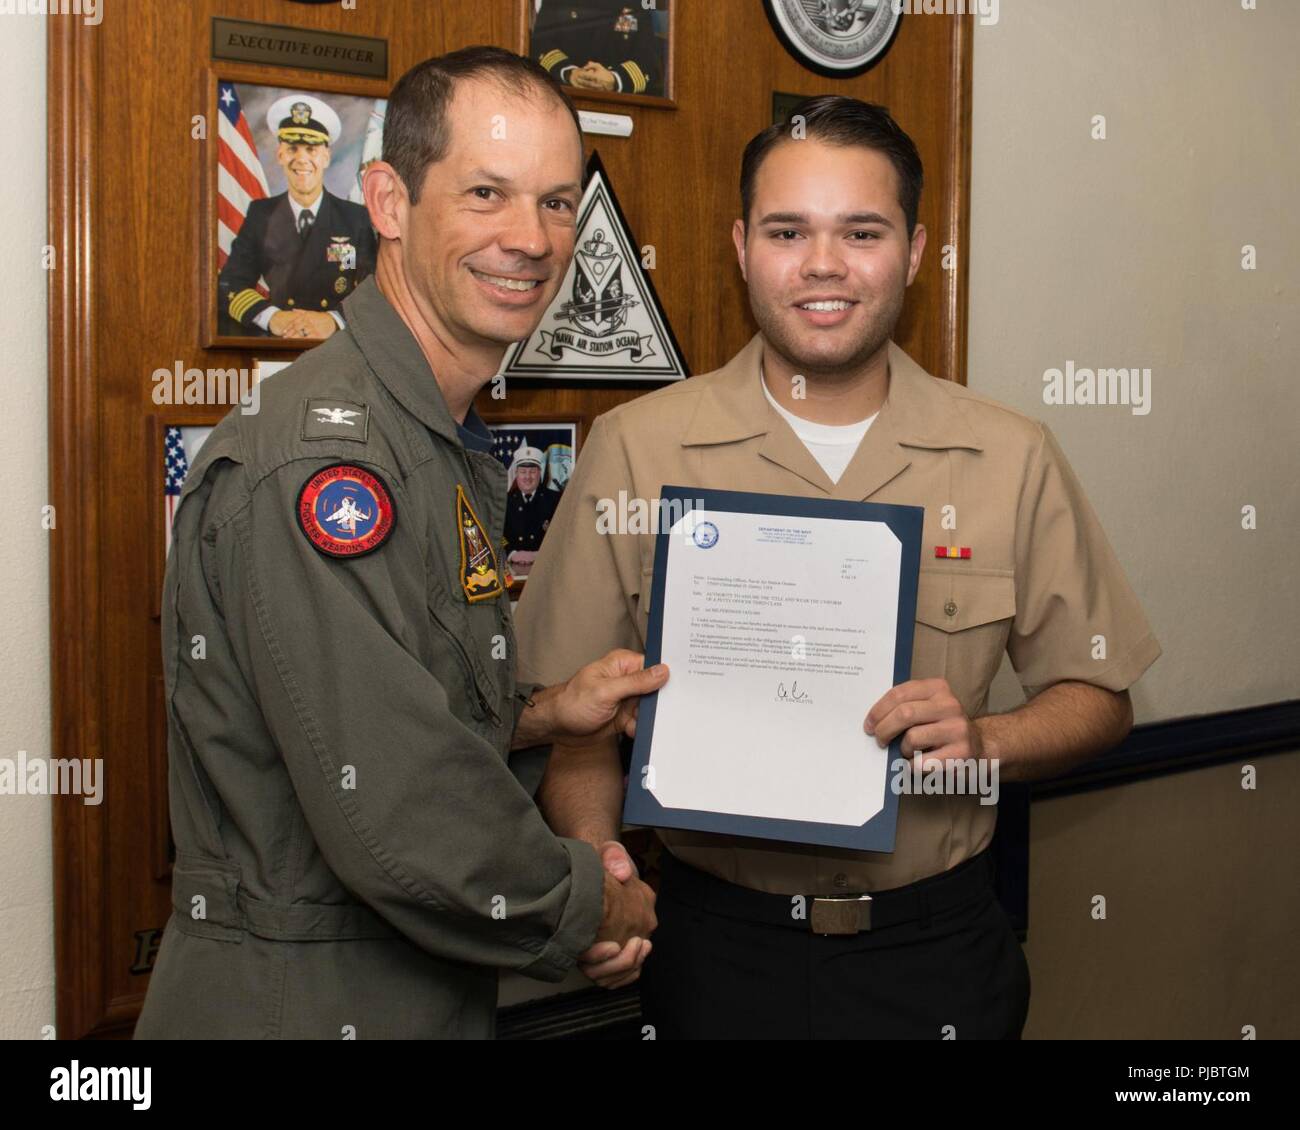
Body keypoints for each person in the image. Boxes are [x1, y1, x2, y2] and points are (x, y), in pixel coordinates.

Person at [513, 95, 1162, 1037]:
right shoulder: (634, 451)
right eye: (788, 230)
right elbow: (571, 722)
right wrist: (597, 865)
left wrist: (984, 743)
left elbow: (1100, 696)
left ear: (914, 248)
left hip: (935, 953)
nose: (823, 264)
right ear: (741, 245)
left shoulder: (1010, 456)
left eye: (862, 230)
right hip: (714, 954)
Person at [137, 47, 664, 1041]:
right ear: (385, 200)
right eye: (485, 193)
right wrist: (594, 902)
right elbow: (400, 810)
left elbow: (389, 700)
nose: (530, 238)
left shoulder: (424, 436)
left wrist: (548, 711)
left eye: (557, 203)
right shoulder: (326, 468)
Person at [217, 94, 378, 340]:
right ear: (280, 154)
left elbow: (375, 290)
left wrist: (334, 320)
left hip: (339, 345)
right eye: (293, 148)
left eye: (311, 149)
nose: (301, 159)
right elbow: (229, 284)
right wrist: (272, 317)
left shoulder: (355, 219)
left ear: (325, 156)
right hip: (279, 343)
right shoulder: (261, 214)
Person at [532, 1, 664, 98]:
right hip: (564, 99)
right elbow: (542, 48)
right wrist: (570, 73)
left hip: (621, 107)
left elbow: (648, 63)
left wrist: (615, 79)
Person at [504, 443, 560, 576]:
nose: (527, 477)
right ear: (516, 474)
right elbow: (498, 536)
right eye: (523, 472)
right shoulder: (505, 501)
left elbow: (562, 535)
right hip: (513, 568)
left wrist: (538, 555)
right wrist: (511, 553)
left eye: (532, 472)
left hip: (546, 568)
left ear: (539, 473)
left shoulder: (555, 500)